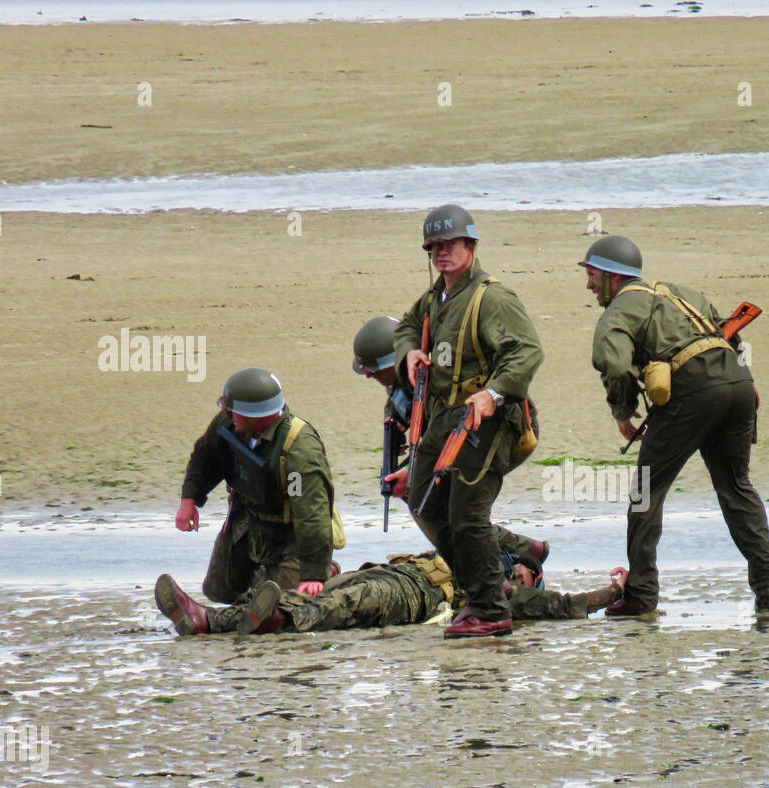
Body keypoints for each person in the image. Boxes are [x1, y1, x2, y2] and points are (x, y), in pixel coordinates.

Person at [579, 235, 769, 615]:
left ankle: (640, 595)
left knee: (645, 491)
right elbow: (729, 336)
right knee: (736, 488)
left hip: (694, 392)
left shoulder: (617, 314)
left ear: (612, 277)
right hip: (739, 384)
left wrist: (622, 411)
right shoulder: (682, 293)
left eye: (591, 274)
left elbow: (615, 364)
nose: (588, 284)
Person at [390, 204, 545, 639]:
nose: (442, 253)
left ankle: (490, 609)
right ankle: (484, 588)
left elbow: (527, 352)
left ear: (471, 246)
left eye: (450, 244)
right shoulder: (435, 297)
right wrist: (409, 352)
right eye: (434, 246)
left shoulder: (492, 297)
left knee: (467, 515)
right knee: (423, 501)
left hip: (488, 418)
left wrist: (492, 395)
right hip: (443, 415)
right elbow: (404, 326)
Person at [353, 313, 549, 567]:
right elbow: (398, 398)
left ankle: (489, 571)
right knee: (429, 500)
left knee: (451, 506)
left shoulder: (437, 377)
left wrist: (413, 472)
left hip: (500, 434)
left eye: (375, 370)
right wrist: (396, 422)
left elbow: (446, 431)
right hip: (460, 437)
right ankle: (518, 551)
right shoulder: (405, 371)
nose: (370, 376)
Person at [157, 367, 336, 633]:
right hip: (249, 519)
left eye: (231, 411)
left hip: (292, 534)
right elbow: (205, 456)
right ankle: (254, 591)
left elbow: (311, 514)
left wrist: (313, 573)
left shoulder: (299, 450)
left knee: (289, 605)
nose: (226, 414)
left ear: (256, 416)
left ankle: (327, 573)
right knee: (220, 588)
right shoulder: (229, 423)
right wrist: (190, 498)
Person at [154, 550, 628, 635]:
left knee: (335, 604)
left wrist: (615, 590)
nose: (521, 578)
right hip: (385, 571)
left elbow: (567, 606)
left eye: (528, 579)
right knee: (319, 590)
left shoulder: (499, 595)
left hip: (414, 595)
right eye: (522, 571)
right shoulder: (473, 546)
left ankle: (271, 621)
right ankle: (213, 617)